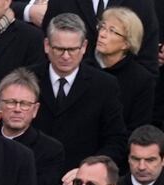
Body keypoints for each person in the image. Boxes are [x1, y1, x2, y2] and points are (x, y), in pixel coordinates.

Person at [35, 14, 125, 171]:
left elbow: (116, 141)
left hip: (83, 183)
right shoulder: (27, 80)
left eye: (72, 49)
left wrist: (88, 170)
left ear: (84, 47)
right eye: (59, 49)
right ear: (47, 45)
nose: (66, 56)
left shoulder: (104, 85)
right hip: (33, 178)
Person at [94, 7, 156, 129]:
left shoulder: (142, 80)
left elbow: (138, 127)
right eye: (102, 27)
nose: (102, 34)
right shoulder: (83, 67)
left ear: (126, 43)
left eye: (112, 31)